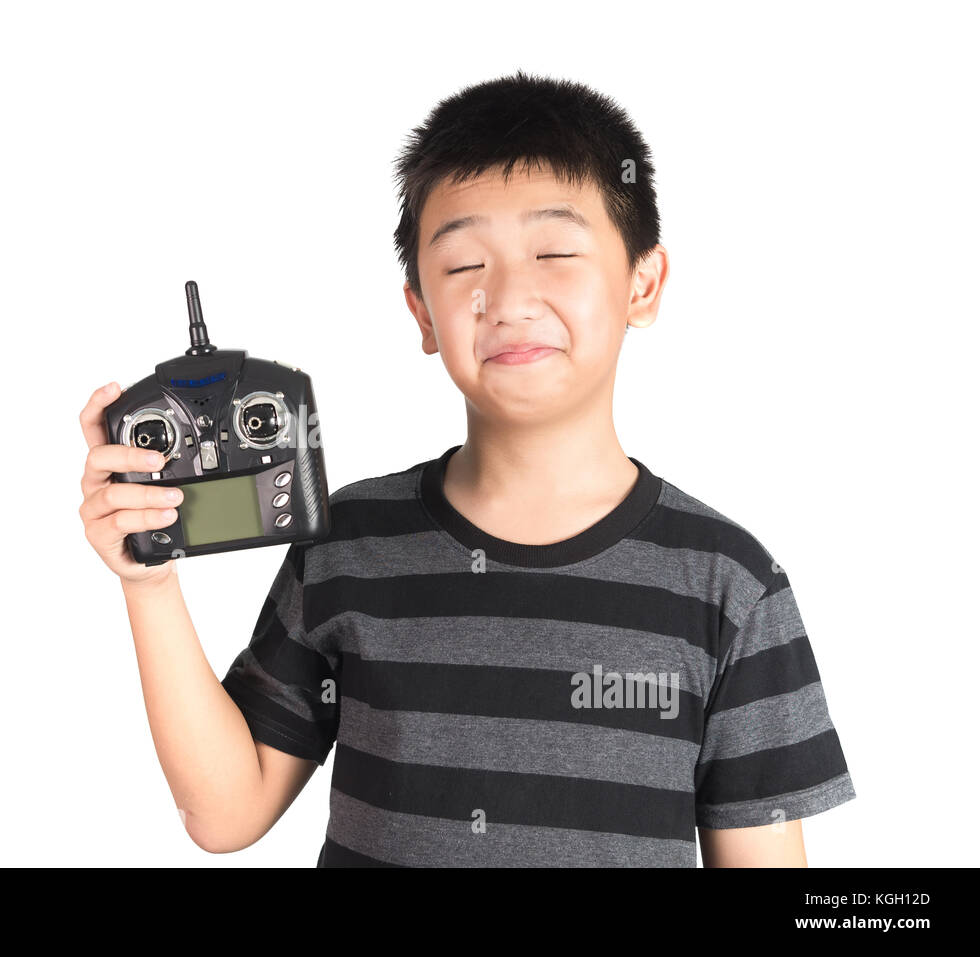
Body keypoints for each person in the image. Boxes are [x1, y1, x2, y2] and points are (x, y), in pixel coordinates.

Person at [77, 71, 854, 867]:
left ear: (643, 283)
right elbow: (225, 811)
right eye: (461, 267)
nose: (509, 297)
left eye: (555, 251)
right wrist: (150, 583)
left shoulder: (731, 586)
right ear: (421, 312)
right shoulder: (348, 544)